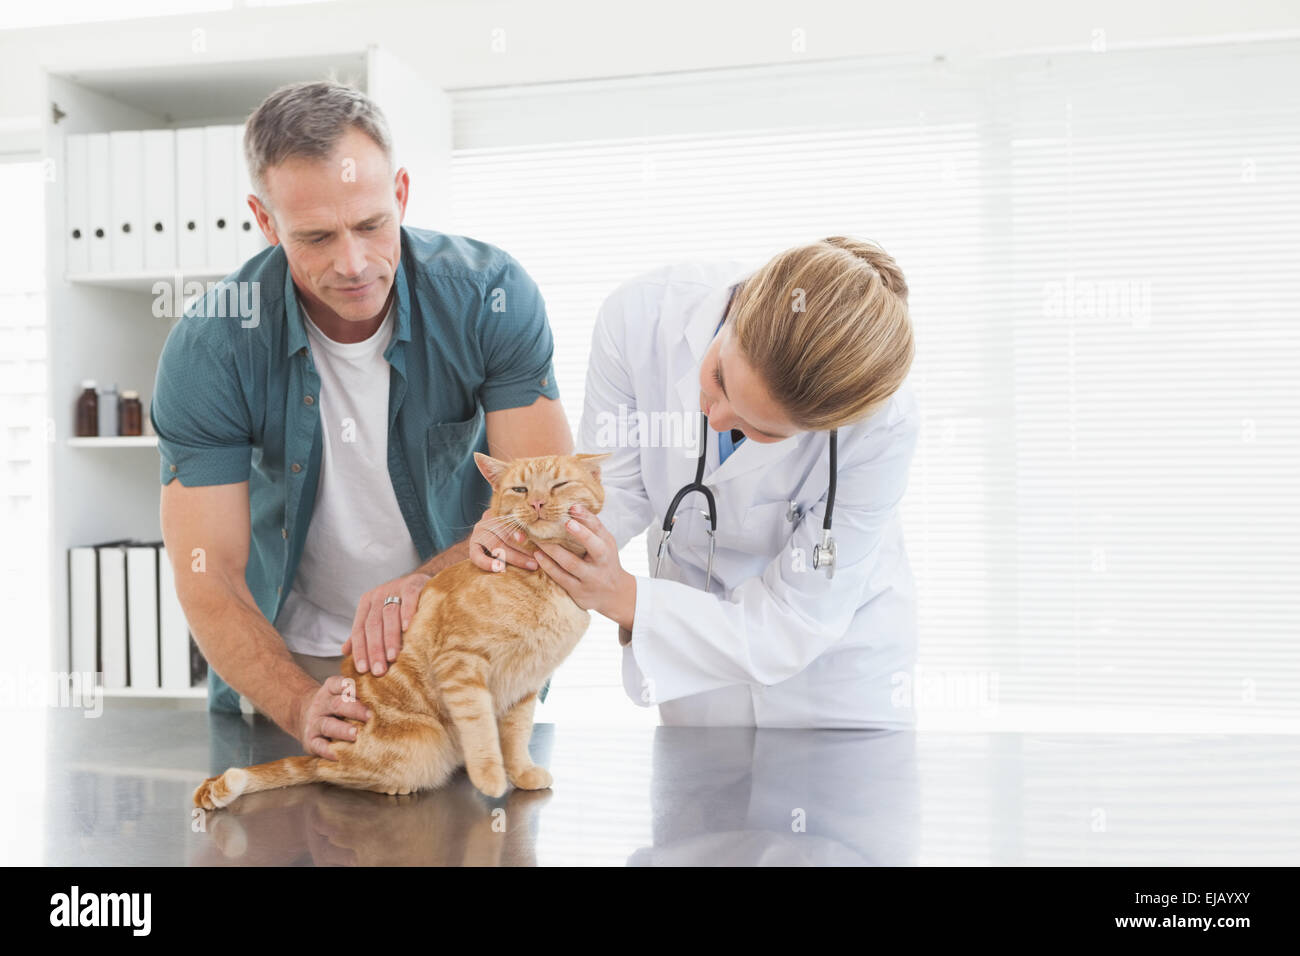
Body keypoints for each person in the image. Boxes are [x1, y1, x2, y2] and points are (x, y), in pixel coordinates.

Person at [153, 81, 572, 760]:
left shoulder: (489, 298)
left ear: (401, 194)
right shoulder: (214, 346)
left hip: (463, 643)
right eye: (316, 237)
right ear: (265, 221)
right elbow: (210, 572)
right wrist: (297, 704)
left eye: (373, 225)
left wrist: (424, 585)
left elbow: (542, 513)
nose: (353, 264)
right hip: (296, 662)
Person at [475, 239, 919, 727]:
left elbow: (797, 619)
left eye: (762, 430)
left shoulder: (883, 423)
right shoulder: (639, 318)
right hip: (695, 663)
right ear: (737, 309)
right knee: (701, 796)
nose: (716, 417)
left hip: (835, 673)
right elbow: (615, 489)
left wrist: (623, 596)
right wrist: (528, 536)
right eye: (720, 379)